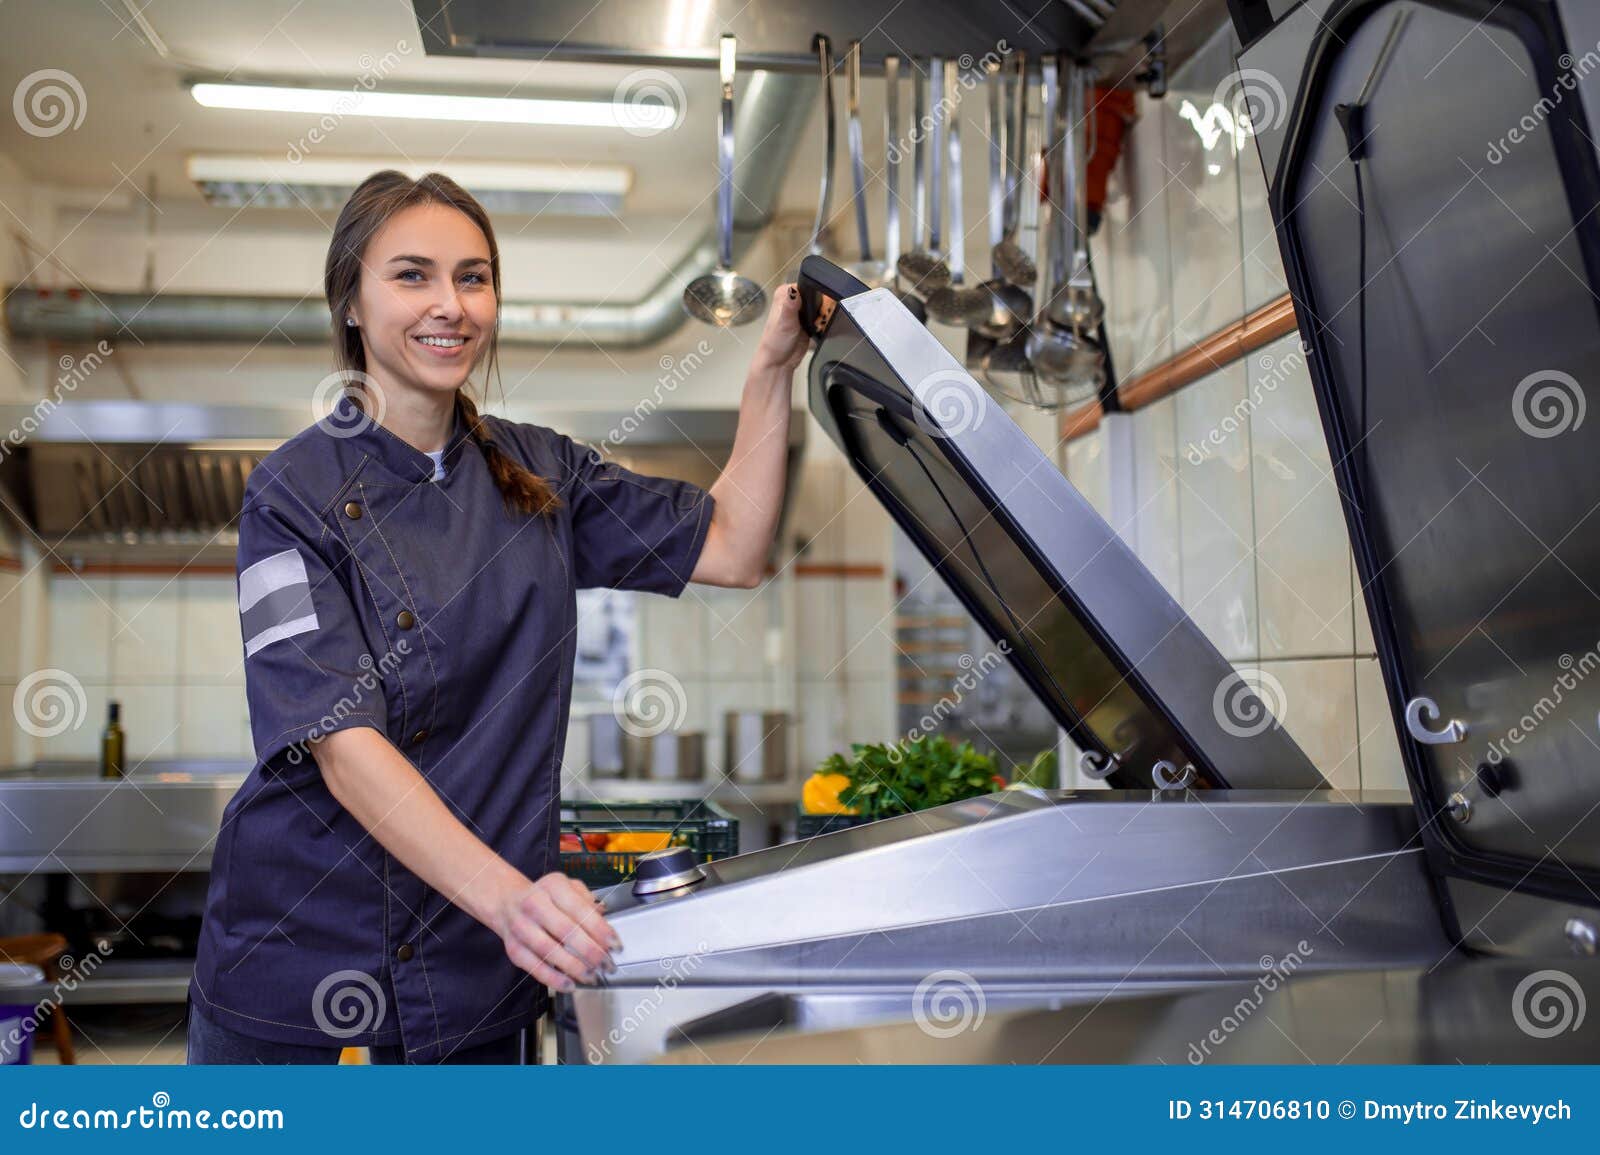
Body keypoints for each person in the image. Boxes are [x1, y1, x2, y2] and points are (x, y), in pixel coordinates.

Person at [187, 170, 806, 1064]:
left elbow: (737, 547)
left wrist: (771, 368)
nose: (451, 304)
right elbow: (342, 743)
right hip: (307, 974)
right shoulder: (290, 493)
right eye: (413, 275)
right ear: (352, 301)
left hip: (481, 971)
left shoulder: (541, 472)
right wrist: (513, 897)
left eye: (473, 277)